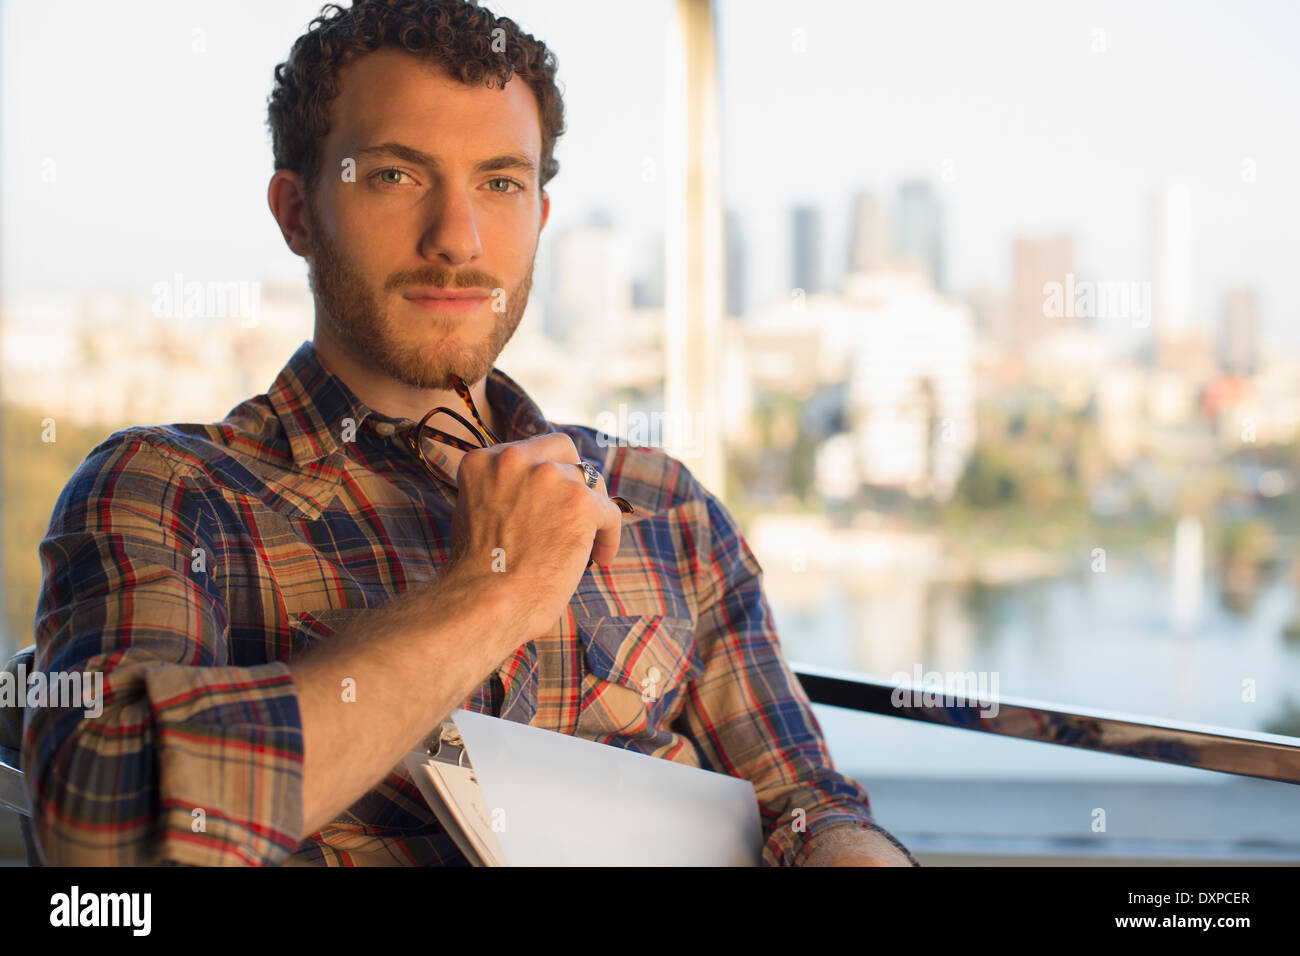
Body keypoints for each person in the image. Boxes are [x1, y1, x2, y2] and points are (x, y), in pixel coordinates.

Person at [25, 0, 917, 867]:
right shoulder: (173, 493)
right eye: (394, 175)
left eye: (500, 182)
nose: (459, 237)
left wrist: (839, 849)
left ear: (539, 214)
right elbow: (107, 837)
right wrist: (492, 594)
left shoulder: (663, 503)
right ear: (298, 213)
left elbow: (806, 800)